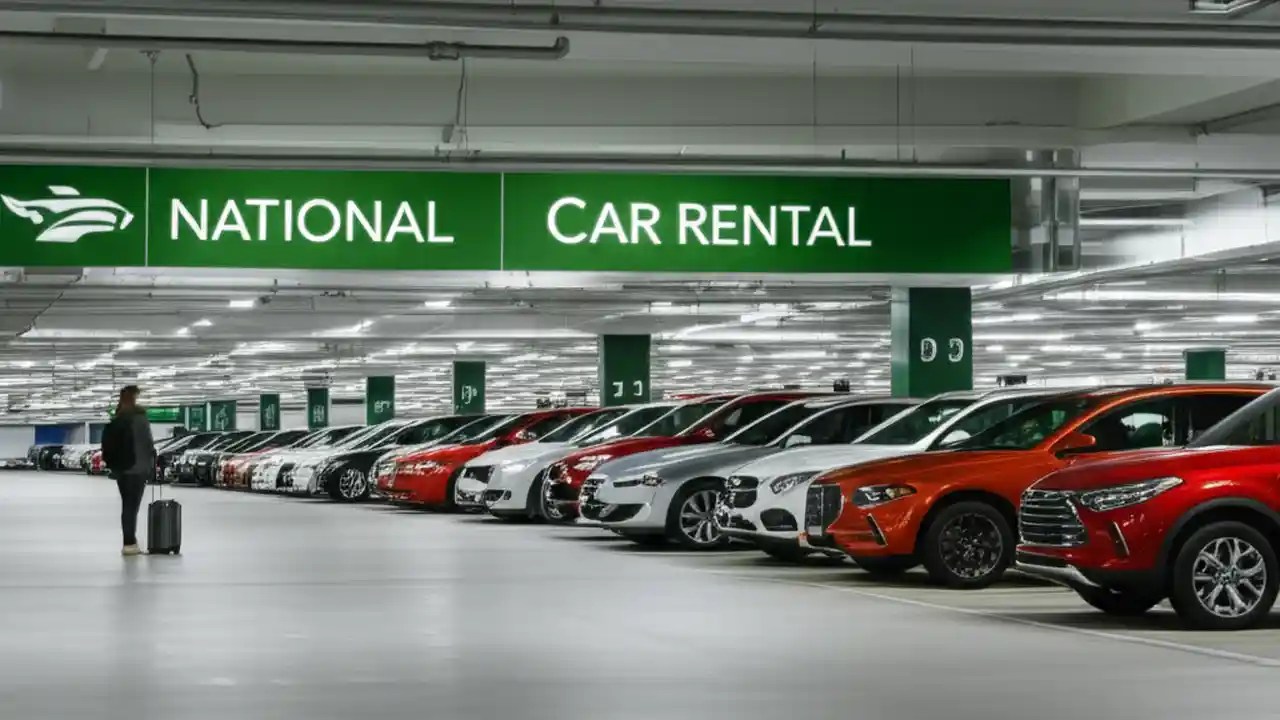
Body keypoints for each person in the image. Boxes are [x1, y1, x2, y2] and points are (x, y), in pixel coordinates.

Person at [102, 385, 156, 556]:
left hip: (121, 470)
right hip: (138, 469)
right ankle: (130, 543)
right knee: (132, 507)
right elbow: (147, 445)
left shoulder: (118, 418)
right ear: (134, 398)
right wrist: (151, 466)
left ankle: (130, 541)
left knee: (127, 506)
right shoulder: (140, 419)